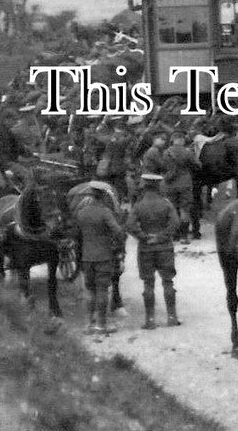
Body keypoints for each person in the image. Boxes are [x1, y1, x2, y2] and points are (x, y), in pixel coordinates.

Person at [126, 172, 182, 329]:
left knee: (148, 283)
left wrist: (144, 237)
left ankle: (150, 320)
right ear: (158, 186)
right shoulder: (166, 204)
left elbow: (130, 225)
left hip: (146, 249)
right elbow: (175, 223)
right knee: (168, 281)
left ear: (144, 186)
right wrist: (162, 237)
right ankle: (172, 316)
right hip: (165, 248)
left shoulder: (139, 205)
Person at [71, 184, 127, 336]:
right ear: (103, 196)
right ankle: (101, 325)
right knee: (102, 290)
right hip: (103, 257)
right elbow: (118, 232)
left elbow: (76, 234)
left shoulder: (81, 213)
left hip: (86, 258)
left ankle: (89, 324)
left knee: (89, 290)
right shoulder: (105, 212)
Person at [162, 131, 198, 242]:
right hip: (185, 183)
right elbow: (196, 165)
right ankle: (184, 236)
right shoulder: (187, 152)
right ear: (182, 140)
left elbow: (163, 166)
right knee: (184, 210)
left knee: (172, 209)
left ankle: (174, 235)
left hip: (170, 184)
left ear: (173, 140)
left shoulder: (166, 152)